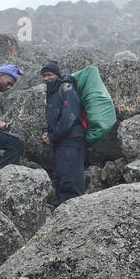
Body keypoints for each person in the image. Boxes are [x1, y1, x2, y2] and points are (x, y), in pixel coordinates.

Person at [40, 61, 87, 207]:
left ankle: (71, 214)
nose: (46, 79)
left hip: (71, 141)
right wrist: (46, 132)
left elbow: (70, 117)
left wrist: (53, 136)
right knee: (61, 177)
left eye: (49, 75)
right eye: (44, 76)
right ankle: (62, 211)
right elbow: (54, 119)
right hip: (62, 141)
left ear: (57, 75)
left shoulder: (66, 89)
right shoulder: (52, 94)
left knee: (70, 179)